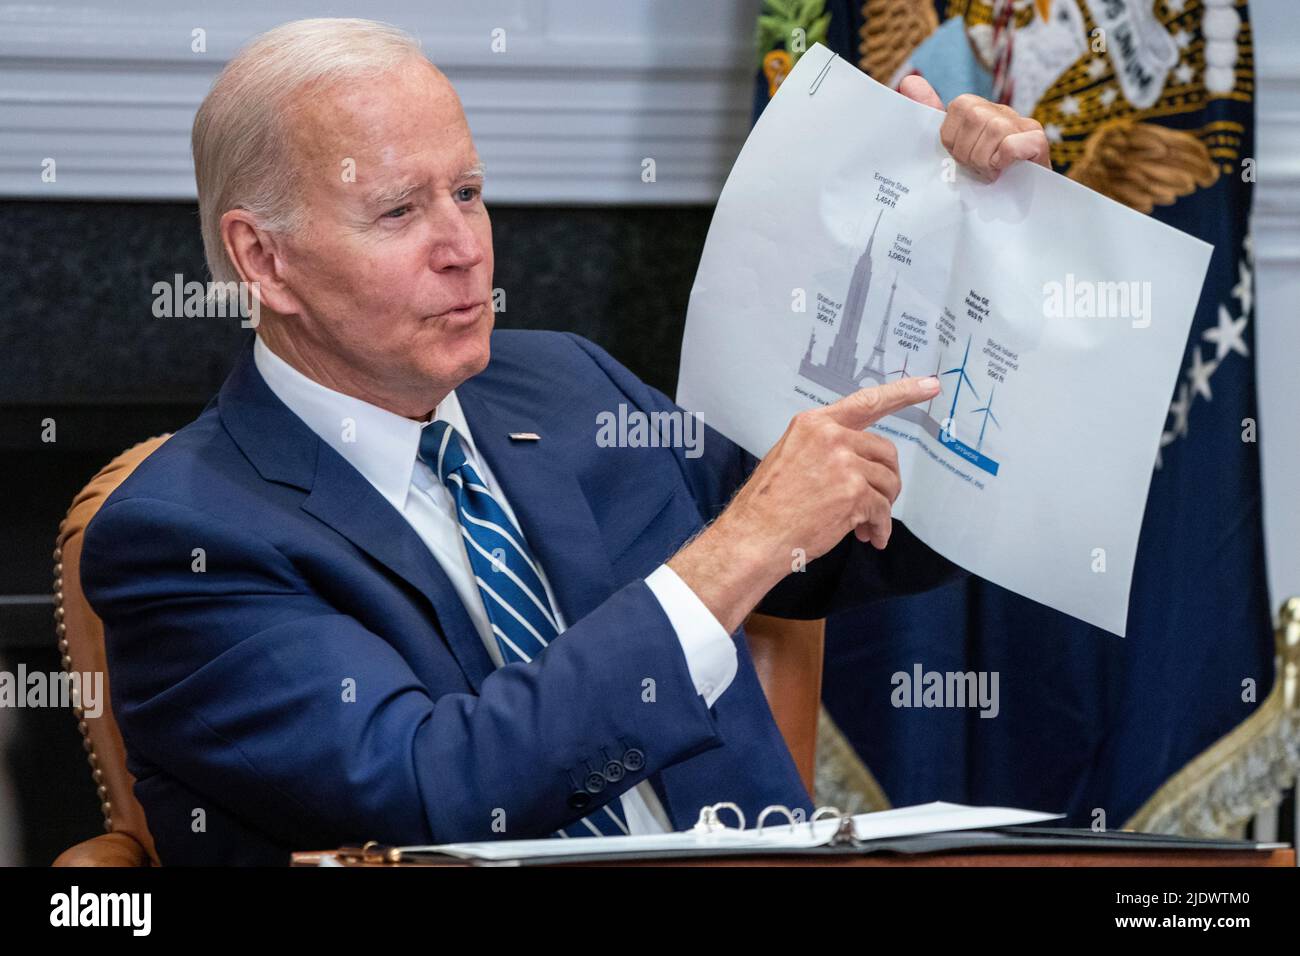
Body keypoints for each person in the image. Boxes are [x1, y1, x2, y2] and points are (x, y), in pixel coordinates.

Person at [80, 18, 1051, 864]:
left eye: (466, 191)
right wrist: (740, 544)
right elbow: (432, 790)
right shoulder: (185, 536)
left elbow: (866, 532)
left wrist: (983, 241)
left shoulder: (569, 385)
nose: (463, 245)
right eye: (399, 210)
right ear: (265, 258)